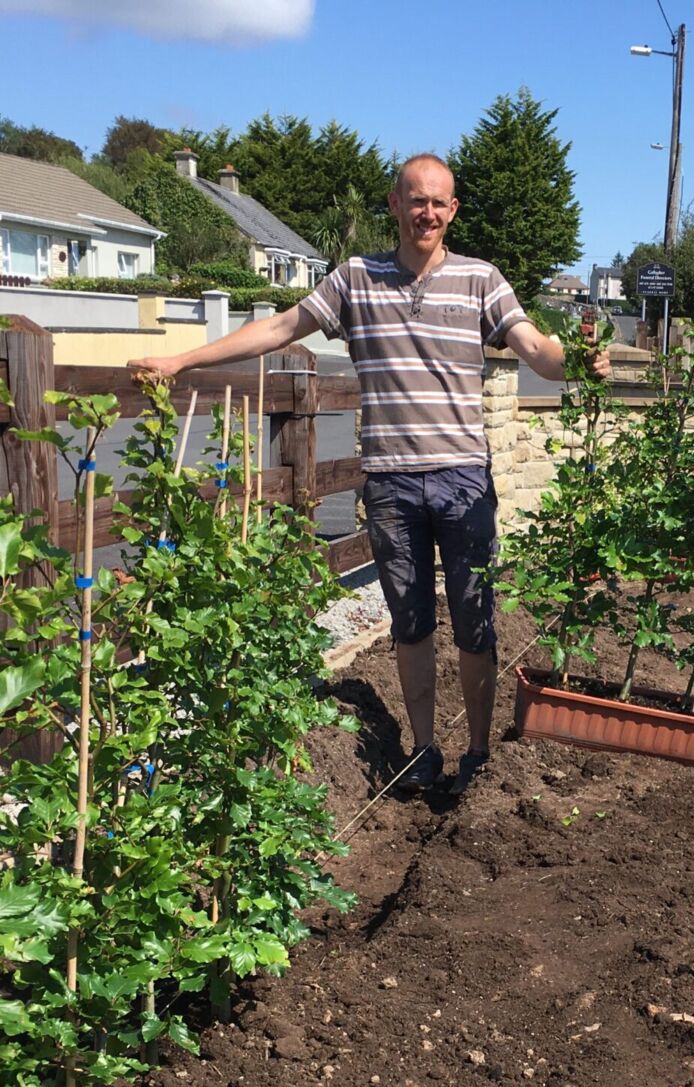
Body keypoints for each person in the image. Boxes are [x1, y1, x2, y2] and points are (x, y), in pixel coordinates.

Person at [132, 153, 606, 794]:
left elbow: (534, 348)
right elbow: (281, 326)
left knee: (475, 622)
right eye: (416, 200)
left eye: (438, 202)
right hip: (390, 483)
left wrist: (576, 360)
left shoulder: (481, 280)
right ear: (395, 204)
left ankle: (476, 753)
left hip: (463, 480)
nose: (426, 213)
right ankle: (423, 751)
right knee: (410, 624)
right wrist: (180, 360)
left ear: (452, 210)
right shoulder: (356, 278)